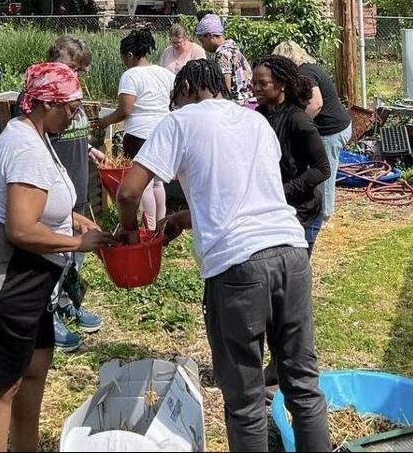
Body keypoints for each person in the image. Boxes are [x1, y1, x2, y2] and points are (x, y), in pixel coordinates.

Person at [115, 60, 331, 453]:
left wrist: (128, 228)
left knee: (246, 399)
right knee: (302, 383)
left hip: (238, 269)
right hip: (290, 251)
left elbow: (128, 192)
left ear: (185, 92)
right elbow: (243, 198)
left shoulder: (179, 122)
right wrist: (184, 216)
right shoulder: (256, 123)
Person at [0, 62, 114, 453]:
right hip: (2, 265)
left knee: (34, 365)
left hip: (32, 271)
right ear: (45, 104)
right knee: (0, 383)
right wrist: (76, 244)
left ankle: (27, 446)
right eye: (70, 107)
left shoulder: (35, 134)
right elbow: (20, 228)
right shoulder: (26, 148)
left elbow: (37, 201)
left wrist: (71, 219)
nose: (74, 115)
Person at [40, 35, 107, 351]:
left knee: (75, 258)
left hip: (76, 192)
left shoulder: (73, 98)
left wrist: (91, 149)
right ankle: (47, 315)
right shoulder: (44, 100)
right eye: (71, 67)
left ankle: (67, 302)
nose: (76, 74)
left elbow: (74, 135)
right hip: (52, 204)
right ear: (53, 62)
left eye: (81, 70)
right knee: (54, 259)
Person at [91, 28, 175, 229]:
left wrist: (104, 122)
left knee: (142, 184)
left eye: (123, 58)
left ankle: (150, 227)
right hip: (163, 133)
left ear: (129, 55)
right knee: (157, 182)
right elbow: (172, 100)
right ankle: (161, 226)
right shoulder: (165, 73)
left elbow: (125, 110)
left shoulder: (131, 76)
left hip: (139, 134)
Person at [252, 55, 332, 251]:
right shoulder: (258, 116)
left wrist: (283, 190)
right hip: (274, 209)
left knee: (296, 276)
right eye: (253, 83)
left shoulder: (299, 120)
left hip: (302, 212)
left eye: (263, 83)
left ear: (281, 85)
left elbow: (322, 169)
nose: (256, 88)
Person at [273, 41, 354, 222]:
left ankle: (324, 214)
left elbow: (315, 104)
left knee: (325, 173)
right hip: (332, 126)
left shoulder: (305, 72)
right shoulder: (308, 69)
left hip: (331, 129)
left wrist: (299, 124)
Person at [195, 13, 254, 105]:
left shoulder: (223, 54)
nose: (203, 46)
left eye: (202, 41)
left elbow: (225, 88)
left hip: (237, 105)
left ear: (210, 36)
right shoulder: (233, 50)